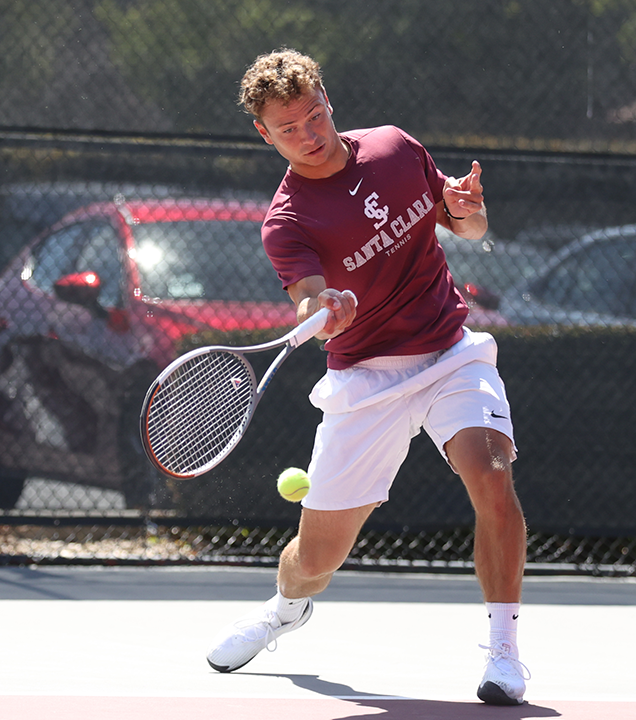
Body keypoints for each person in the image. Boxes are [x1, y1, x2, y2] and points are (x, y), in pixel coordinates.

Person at [205, 48, 530, 706]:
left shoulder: (395, 148)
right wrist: (324, 310)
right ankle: (284, 609)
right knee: (315, 563)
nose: (308, 133)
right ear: (264, 135)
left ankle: (504, 653)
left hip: (448, 352)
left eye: (313, 114)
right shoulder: (287, 220)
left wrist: (467, 210)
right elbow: (308, 297)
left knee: (491, 476)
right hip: (364, 378)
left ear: (327, 98)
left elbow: (465, 224)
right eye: (288, 128)